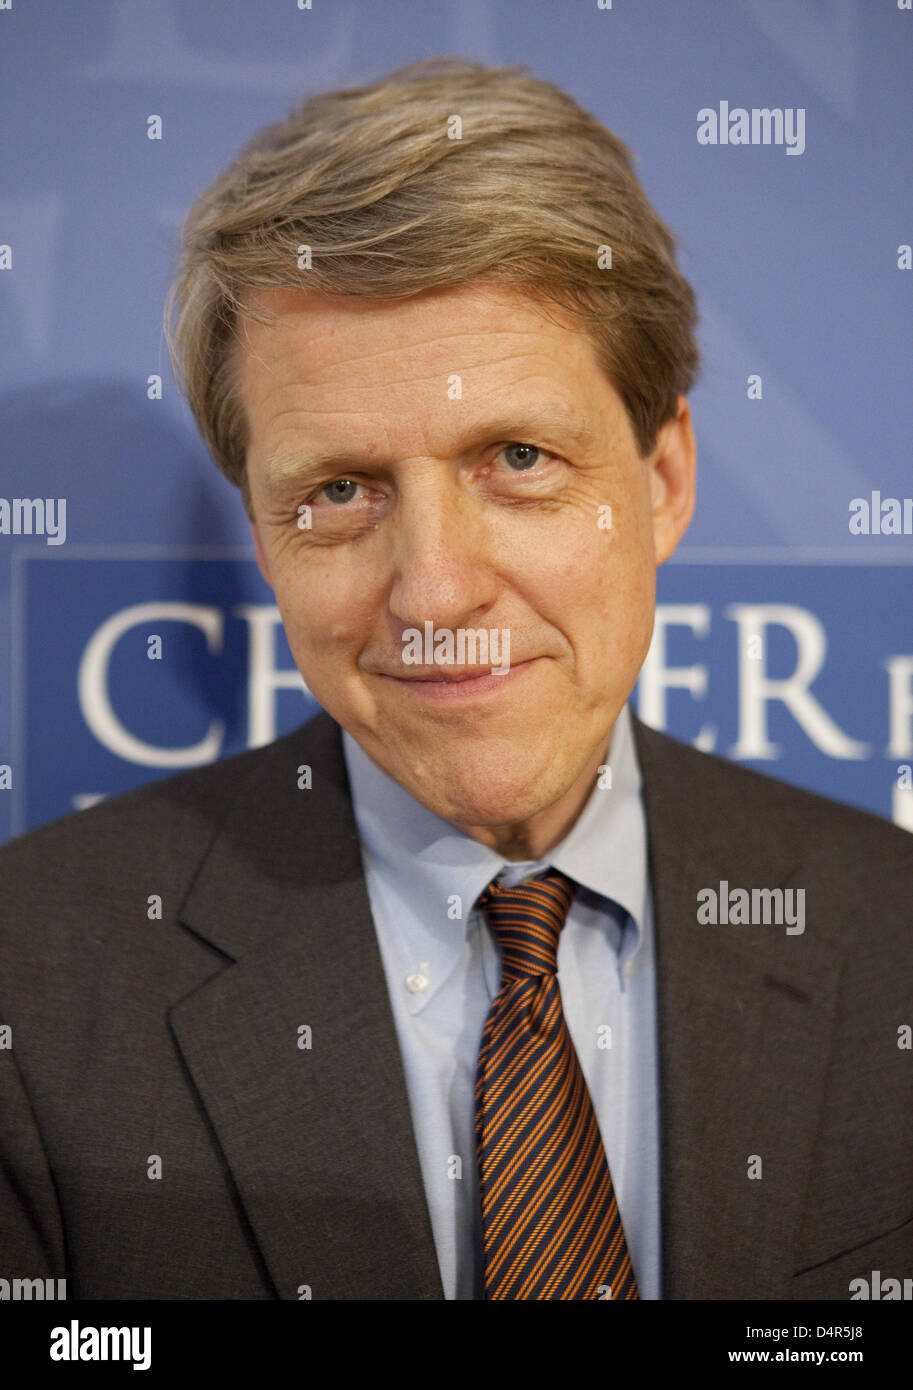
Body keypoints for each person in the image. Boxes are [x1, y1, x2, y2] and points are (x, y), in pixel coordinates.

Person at [1, 57, 910, 1302]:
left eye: (518, 459)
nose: (433, 591)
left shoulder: (891, 930)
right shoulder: (31, 986)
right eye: (338, 491)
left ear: (661, 482)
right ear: (262, 538)